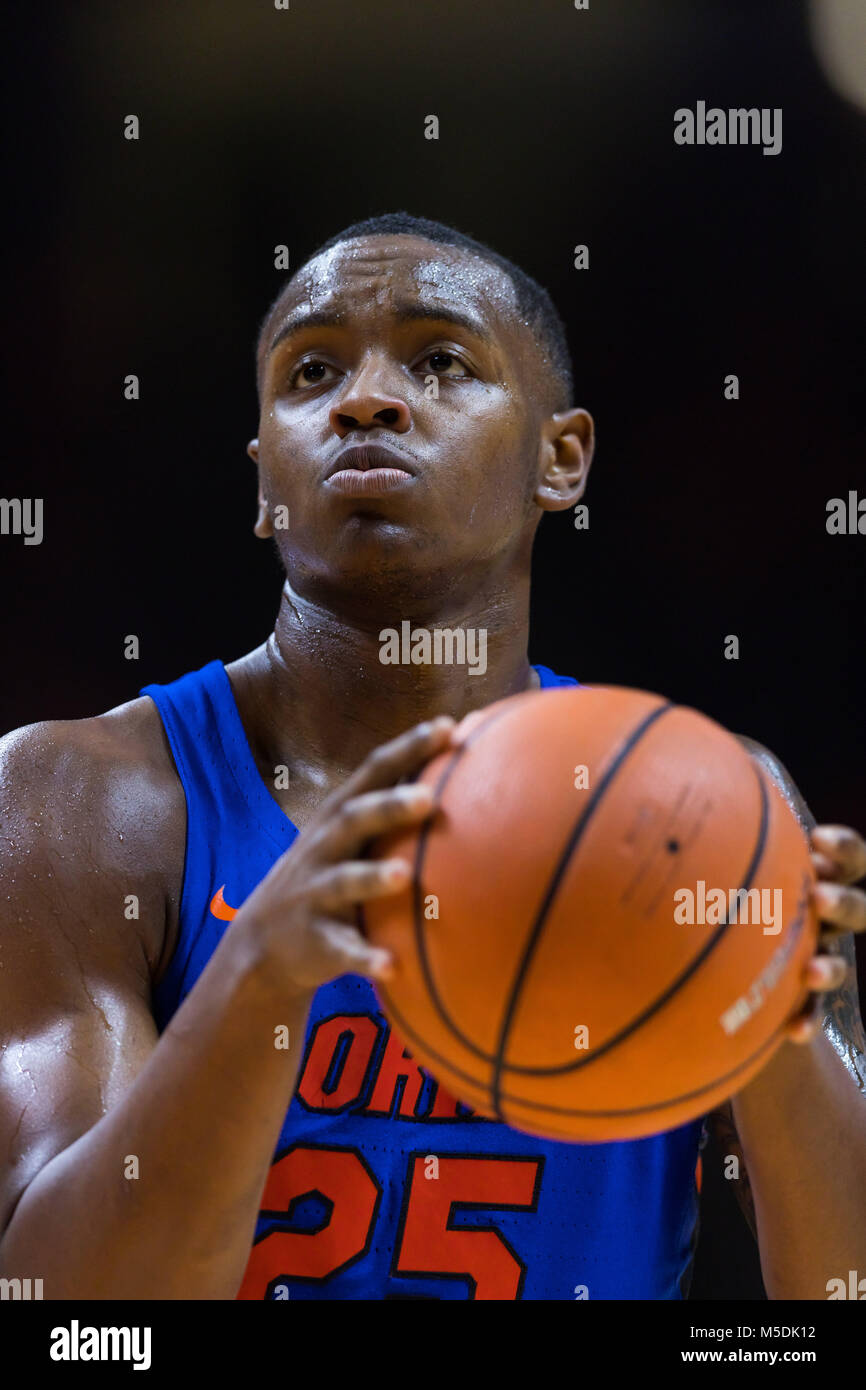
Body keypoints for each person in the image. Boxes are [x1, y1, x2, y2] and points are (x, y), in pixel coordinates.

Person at [1, 212, 865, 1301]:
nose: (364, 398)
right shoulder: (81, 801)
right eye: (310, 372)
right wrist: (260, 972)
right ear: (265, 474)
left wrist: (771, 1018)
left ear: (560, 458)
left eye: (440, 361)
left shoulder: (710, 816)